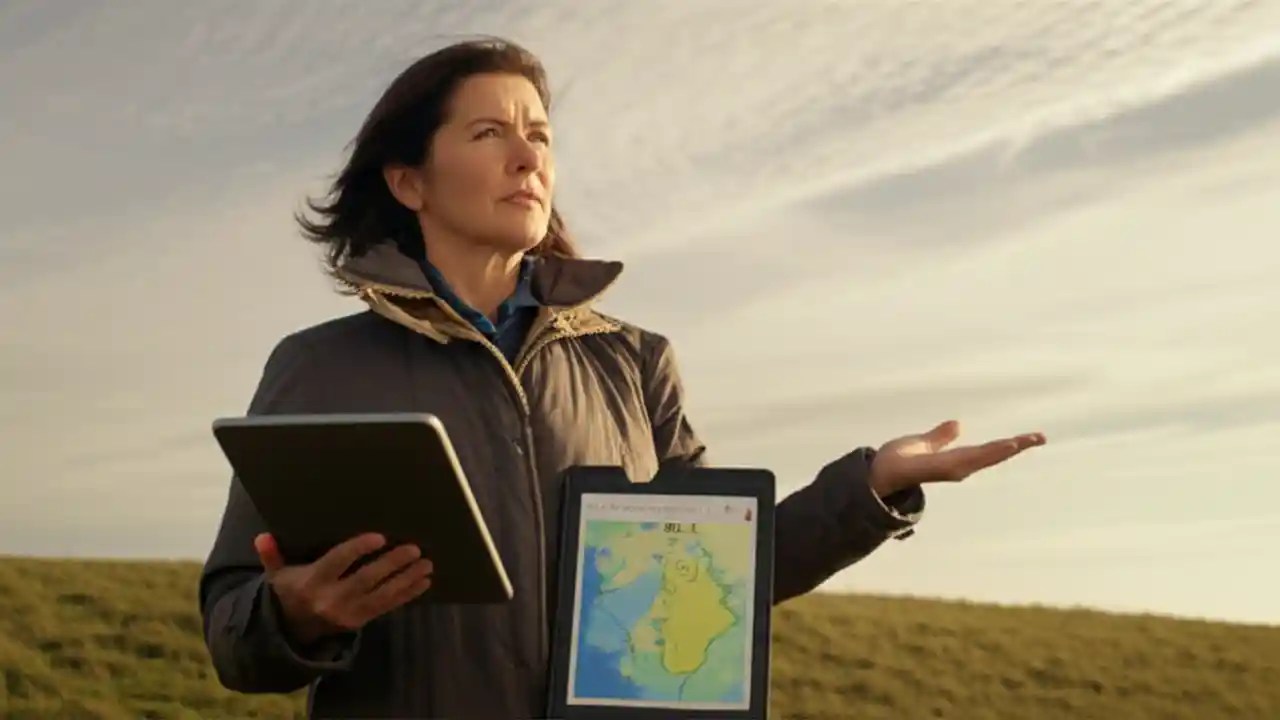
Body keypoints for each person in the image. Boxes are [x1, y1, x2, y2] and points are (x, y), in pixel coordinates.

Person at [198, 37, 1046, 719]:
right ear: (408, 180)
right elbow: (234, 630)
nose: (526, 157)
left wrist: (872, 486)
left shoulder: (635, 362)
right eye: (489, 133)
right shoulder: (319, 367)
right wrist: (299, 613)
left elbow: (725, 576)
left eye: (540, 135)